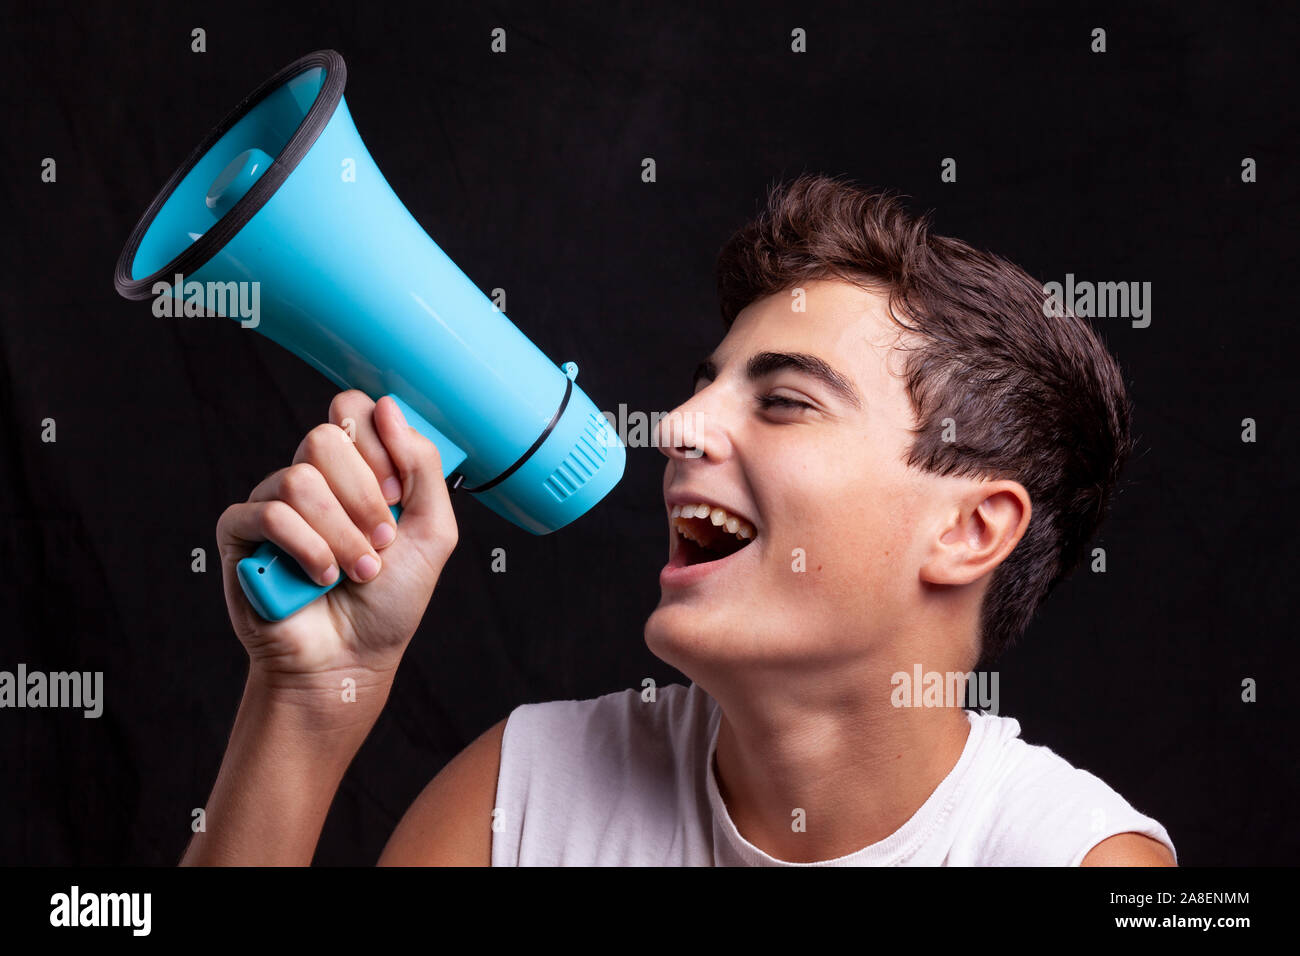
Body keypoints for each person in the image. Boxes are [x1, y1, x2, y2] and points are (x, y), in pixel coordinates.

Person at [183, 174, 1176, 866]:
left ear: (970, 529)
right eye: (705, 386)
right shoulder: (520, 794)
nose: (680, 425)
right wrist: (305, 704)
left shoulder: (1068, 853)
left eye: (783, 400)